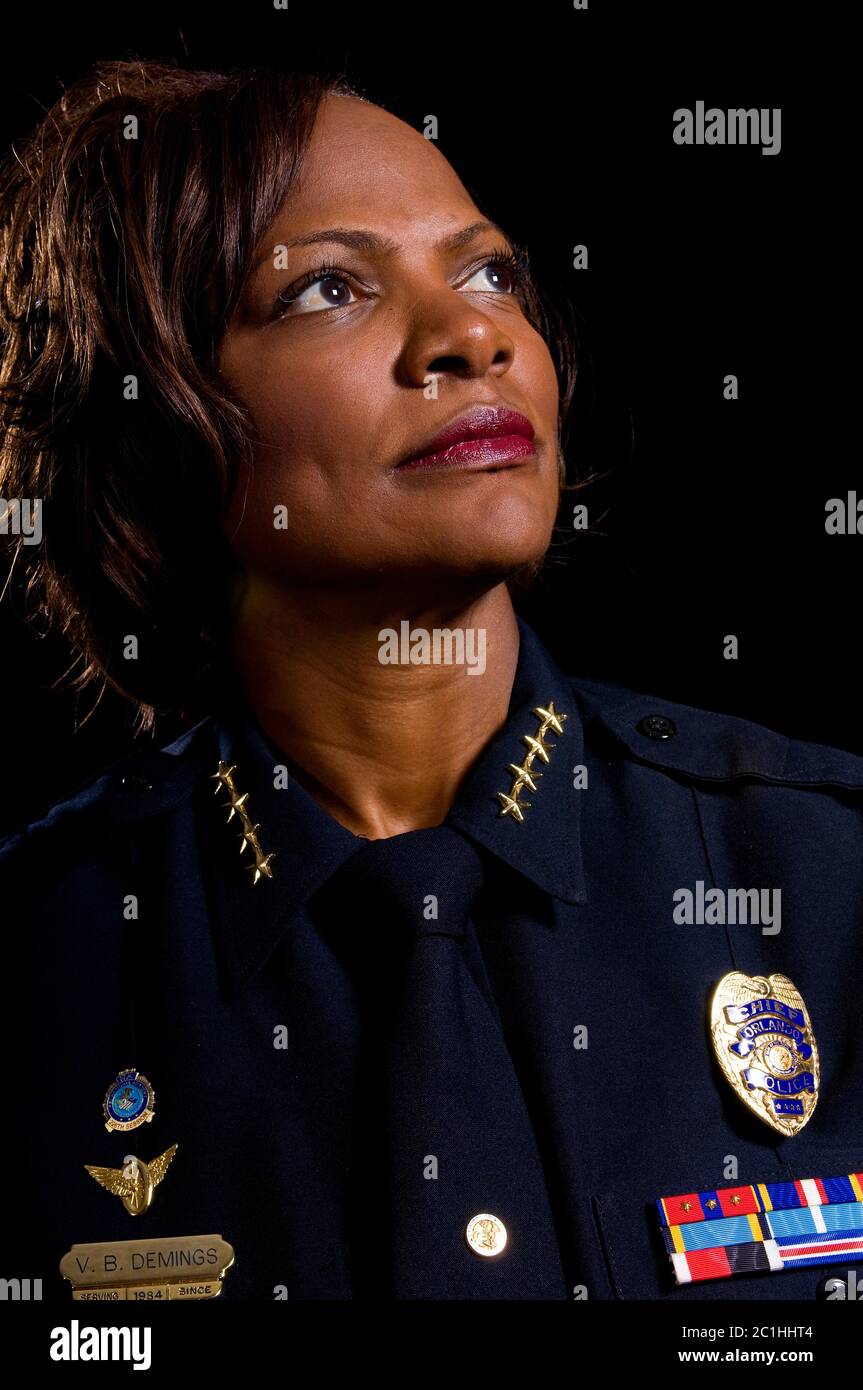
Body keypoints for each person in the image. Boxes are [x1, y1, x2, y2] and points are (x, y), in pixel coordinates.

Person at [1, 59, 861, 1304]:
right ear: (158, 428)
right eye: (329, 288)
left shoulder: (826, 878)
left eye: (487, 270)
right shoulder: (40, 966)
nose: (472, 335)